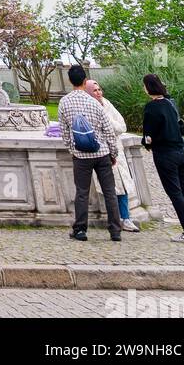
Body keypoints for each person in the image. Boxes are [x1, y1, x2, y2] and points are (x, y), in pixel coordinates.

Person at [58, 64, 122, 242]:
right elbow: (108, 130)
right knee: (110, 192)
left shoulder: (65, 102)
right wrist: (113, 153)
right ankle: (115, 230)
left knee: (82, 192)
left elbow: (64, 131)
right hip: (101, 153)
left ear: (69, 81)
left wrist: (72, 149)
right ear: (85, 80)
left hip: (81, 155)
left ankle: (80, 230)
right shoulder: (94, 102)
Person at [141, 73, 184, 244]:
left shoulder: (151, 107)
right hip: (179, 152)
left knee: (175, 193)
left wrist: (147, 144)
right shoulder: (170, 104)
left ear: (148, 88)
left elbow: (148, 135)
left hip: (164, 154)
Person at [84, 77, 139, 231]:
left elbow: (121, 126)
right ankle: (116, 219)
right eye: (94, 90)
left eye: (99, 89)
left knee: (123, 185)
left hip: (116, 149)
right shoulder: (90, 106)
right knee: (112, 188)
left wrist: (107, 121)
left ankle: (125, 218)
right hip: (103, 151)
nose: (98, 92)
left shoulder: (106, 103)